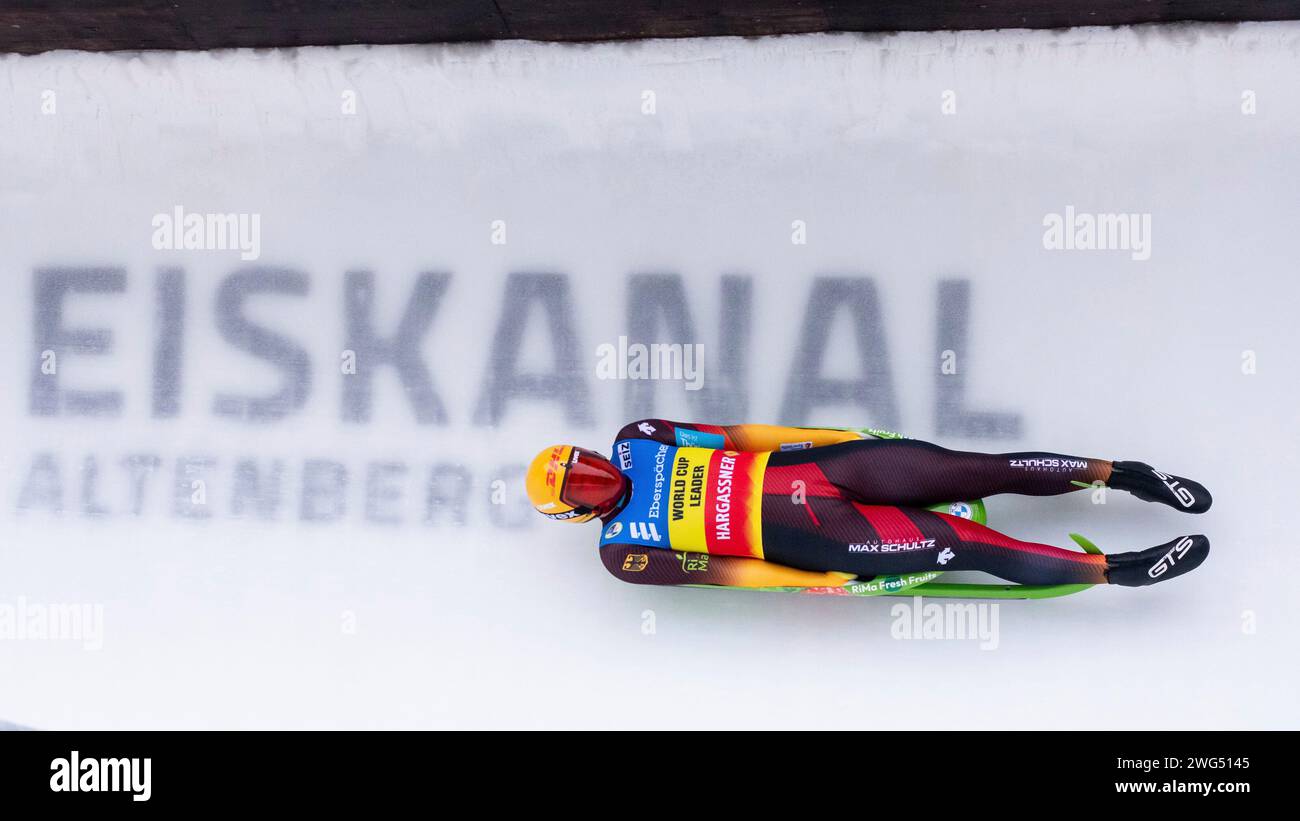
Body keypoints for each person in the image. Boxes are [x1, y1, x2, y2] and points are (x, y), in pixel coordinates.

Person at [525, 420, 1211, 591]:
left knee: (980, 467)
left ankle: (1126, 475)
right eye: (582, 485)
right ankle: (1115, 571)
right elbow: (726, 572)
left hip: (822, 465)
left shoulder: (637, 439)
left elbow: (739, 434)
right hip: (820, 533)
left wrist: (832, 437)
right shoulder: (626, 553)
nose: (596, 476)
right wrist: (824, 583)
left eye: (586, 464)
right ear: (577, 512)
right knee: (962, 544)